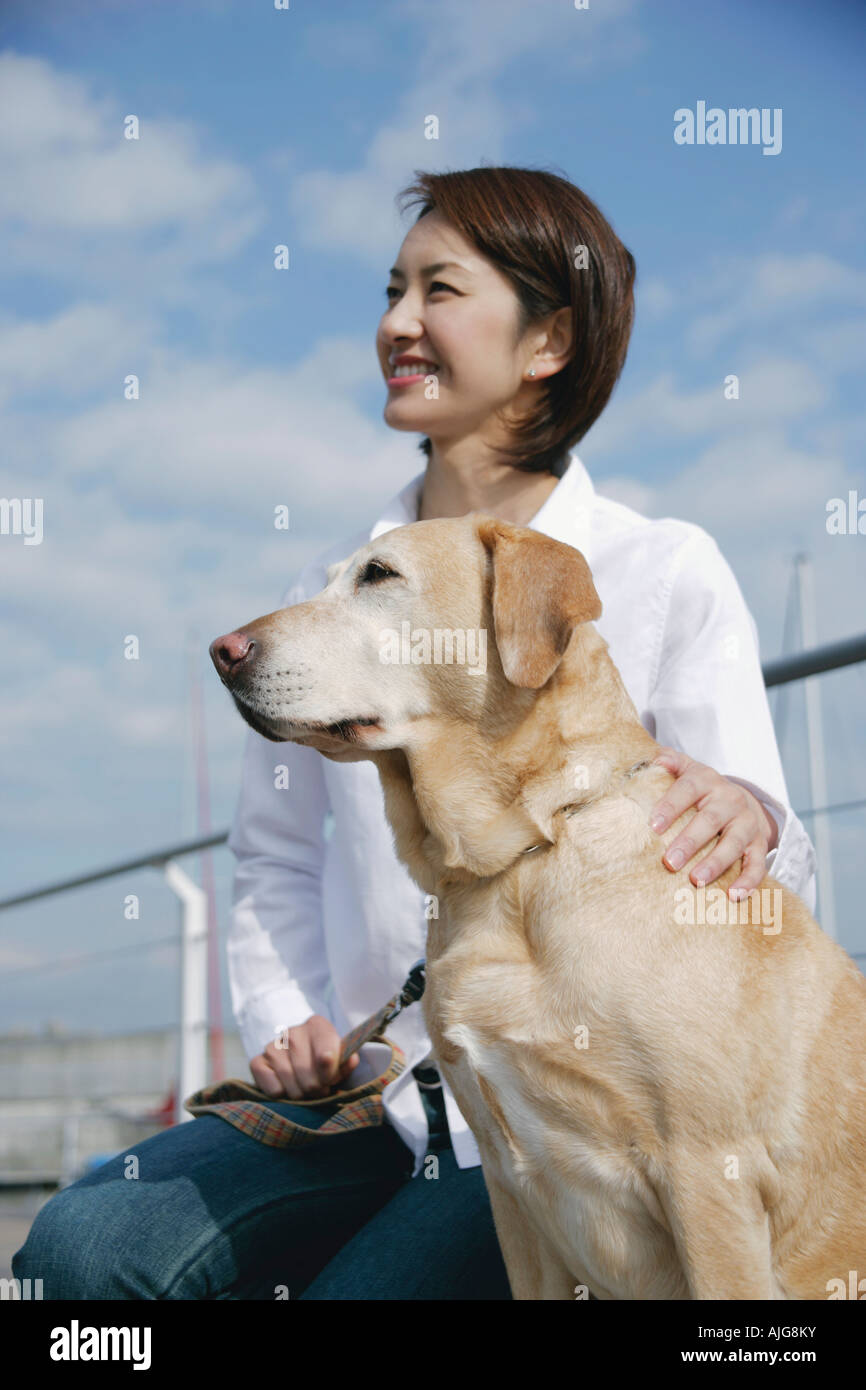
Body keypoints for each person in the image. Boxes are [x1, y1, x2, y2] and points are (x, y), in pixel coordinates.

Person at [13, 166, 816, 1301]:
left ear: (547, 339)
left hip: (559, 1102)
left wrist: (754, 814)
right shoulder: (324, 593)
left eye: (439, 289)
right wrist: (287, 1016)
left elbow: (769, 849)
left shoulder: (660, 569)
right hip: (369, 1092)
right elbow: (278, 853)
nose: (395, 321)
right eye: (392, 289)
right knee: (73, 1255)